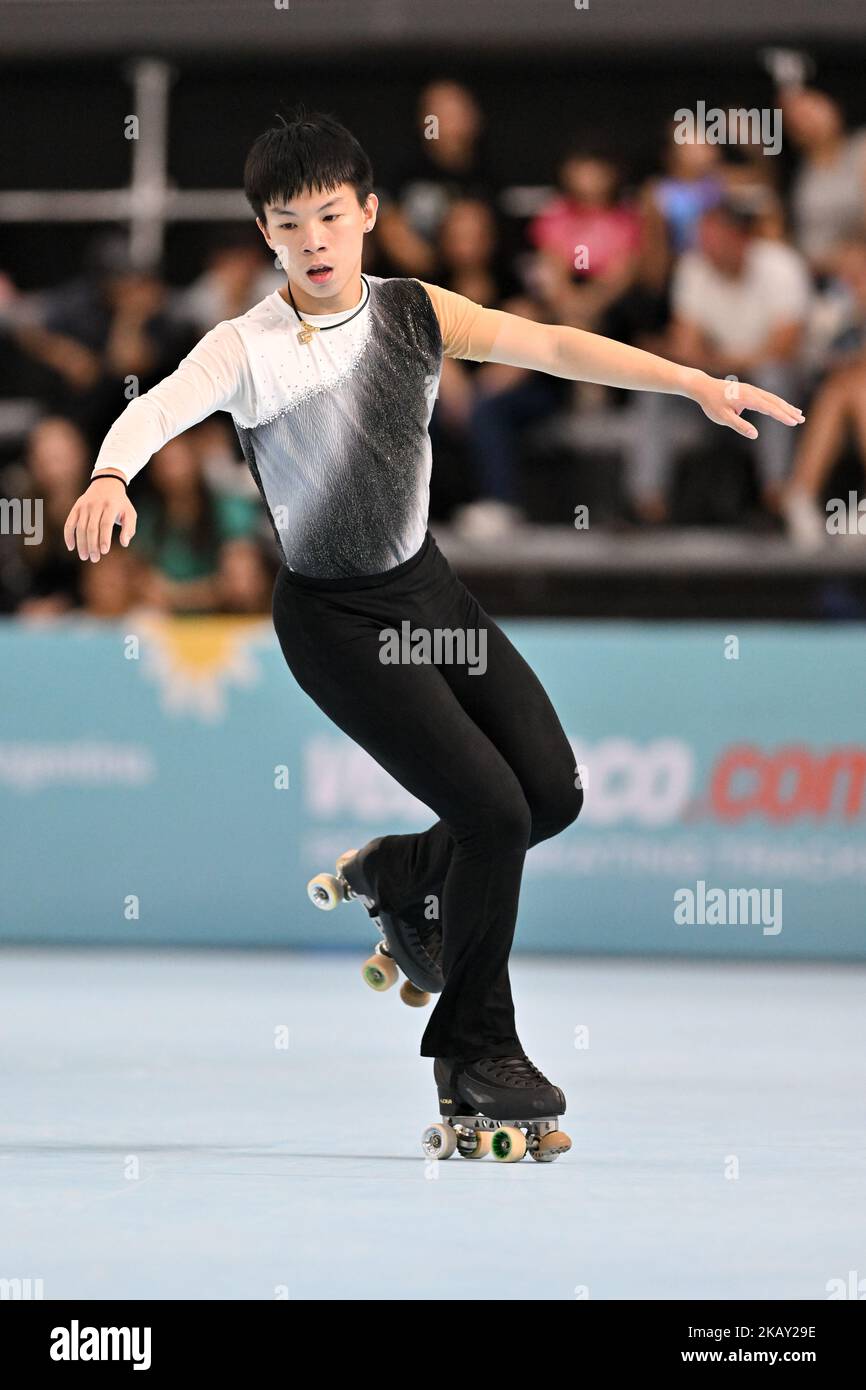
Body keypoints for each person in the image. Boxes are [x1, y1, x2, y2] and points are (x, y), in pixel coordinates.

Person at [63, 106, 805, 1146]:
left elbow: (546, 342)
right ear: (266, 235)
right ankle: (475, 1051)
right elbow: (158, 408)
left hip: (428, 593)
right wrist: (108, 472)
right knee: (493, 816)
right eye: (289, 223)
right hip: (332, 619)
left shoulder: (413, 311)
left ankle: (400, 874)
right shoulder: (248, 348)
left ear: (368, 212)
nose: (313, 240)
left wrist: (690, 382)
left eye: (330, 215)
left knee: (547, 792)